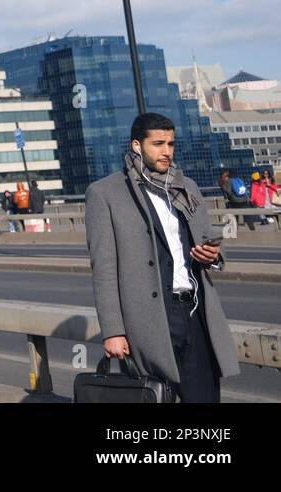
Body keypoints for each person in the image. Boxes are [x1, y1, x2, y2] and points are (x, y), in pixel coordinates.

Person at [84, 113, 239, 402]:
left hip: (194, 313)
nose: (166, 151)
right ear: (137, 146)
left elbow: (208, 239)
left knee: (204, 398)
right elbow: (104, 270)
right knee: (154, 397)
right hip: (146, 321)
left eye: (170, 143)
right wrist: (113, 332)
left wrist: (213, 255)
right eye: (157, 143)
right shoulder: (105, 193)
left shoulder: (185, 187)